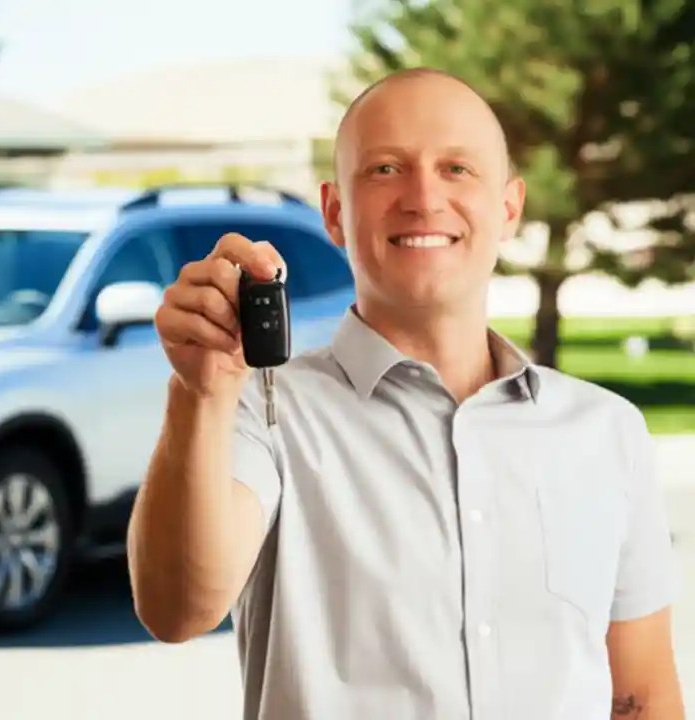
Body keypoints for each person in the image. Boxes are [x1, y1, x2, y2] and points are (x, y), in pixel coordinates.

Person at [127, 67, 684, 719]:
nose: (423, 197)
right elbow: (177, 610)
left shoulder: (607, 431)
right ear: (335, 212)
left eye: (456, 169)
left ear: (508, 209)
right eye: (386, 169)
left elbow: (642, 695)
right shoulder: (261, 412)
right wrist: (198, 395)